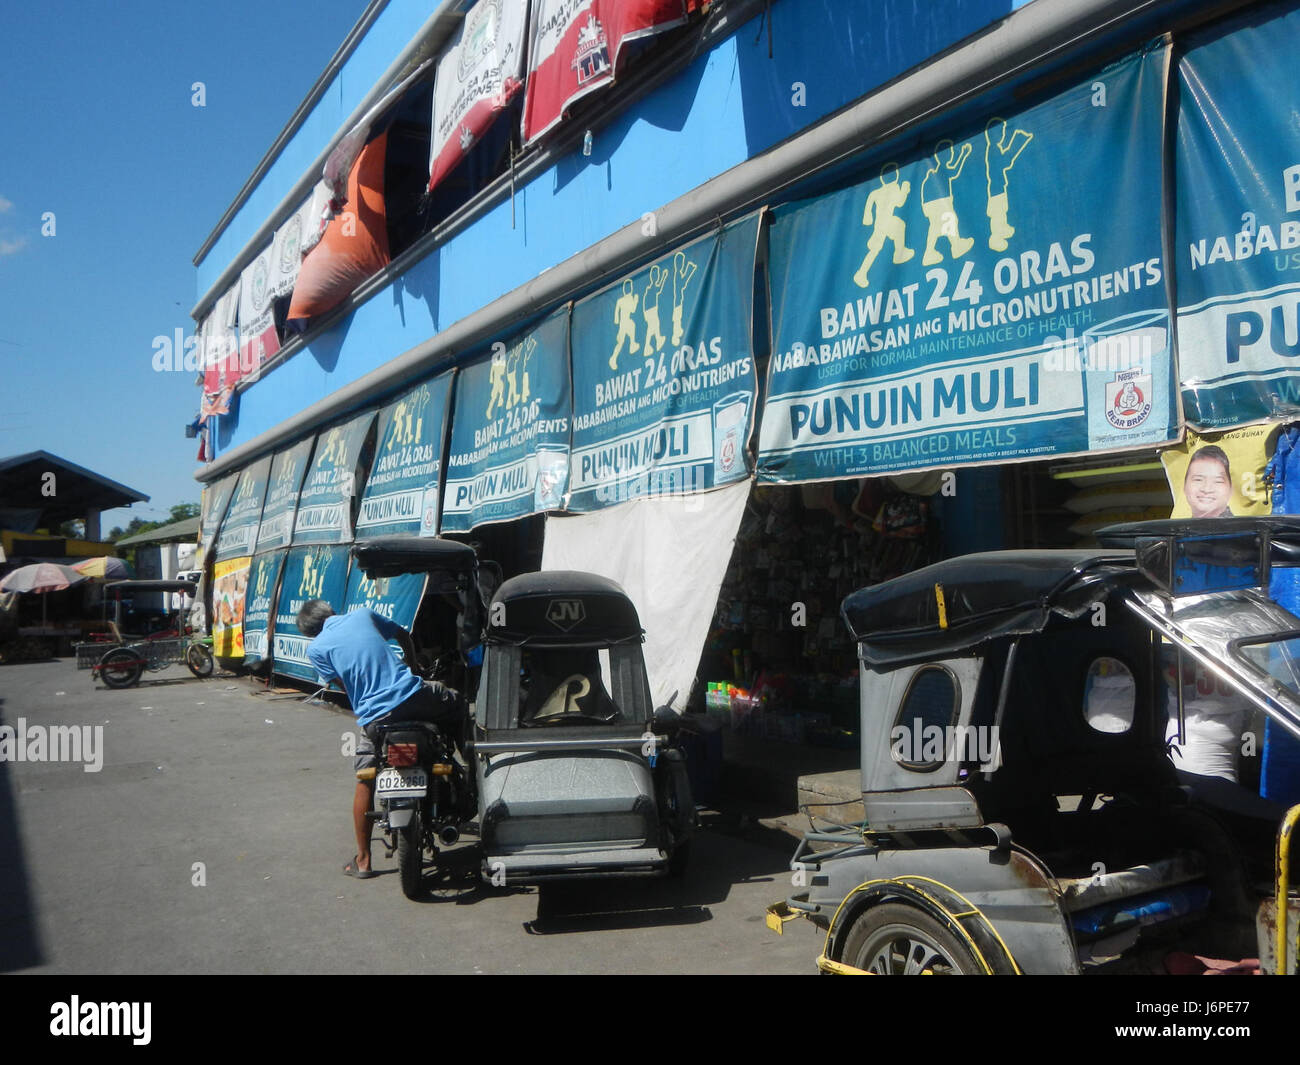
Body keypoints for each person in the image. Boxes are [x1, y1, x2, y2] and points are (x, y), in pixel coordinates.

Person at [297, 599, 464, 880]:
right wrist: (413, 668)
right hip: (415, 697)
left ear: (310, 632)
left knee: (364, 776)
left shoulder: (316, 649)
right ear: (331, 612)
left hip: (376, 721)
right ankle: (470, 761)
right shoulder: (363, 615)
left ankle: (363, 860)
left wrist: (369, 702)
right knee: (457, 702)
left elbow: (343, 685)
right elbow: (402, 635)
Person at [1184, 445, 1234, 519]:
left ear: (1230, 490)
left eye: (1218, 481)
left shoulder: (1241, 529)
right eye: (1198, 480)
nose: (1206, 489)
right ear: (1184, 486)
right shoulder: (1179, 529)